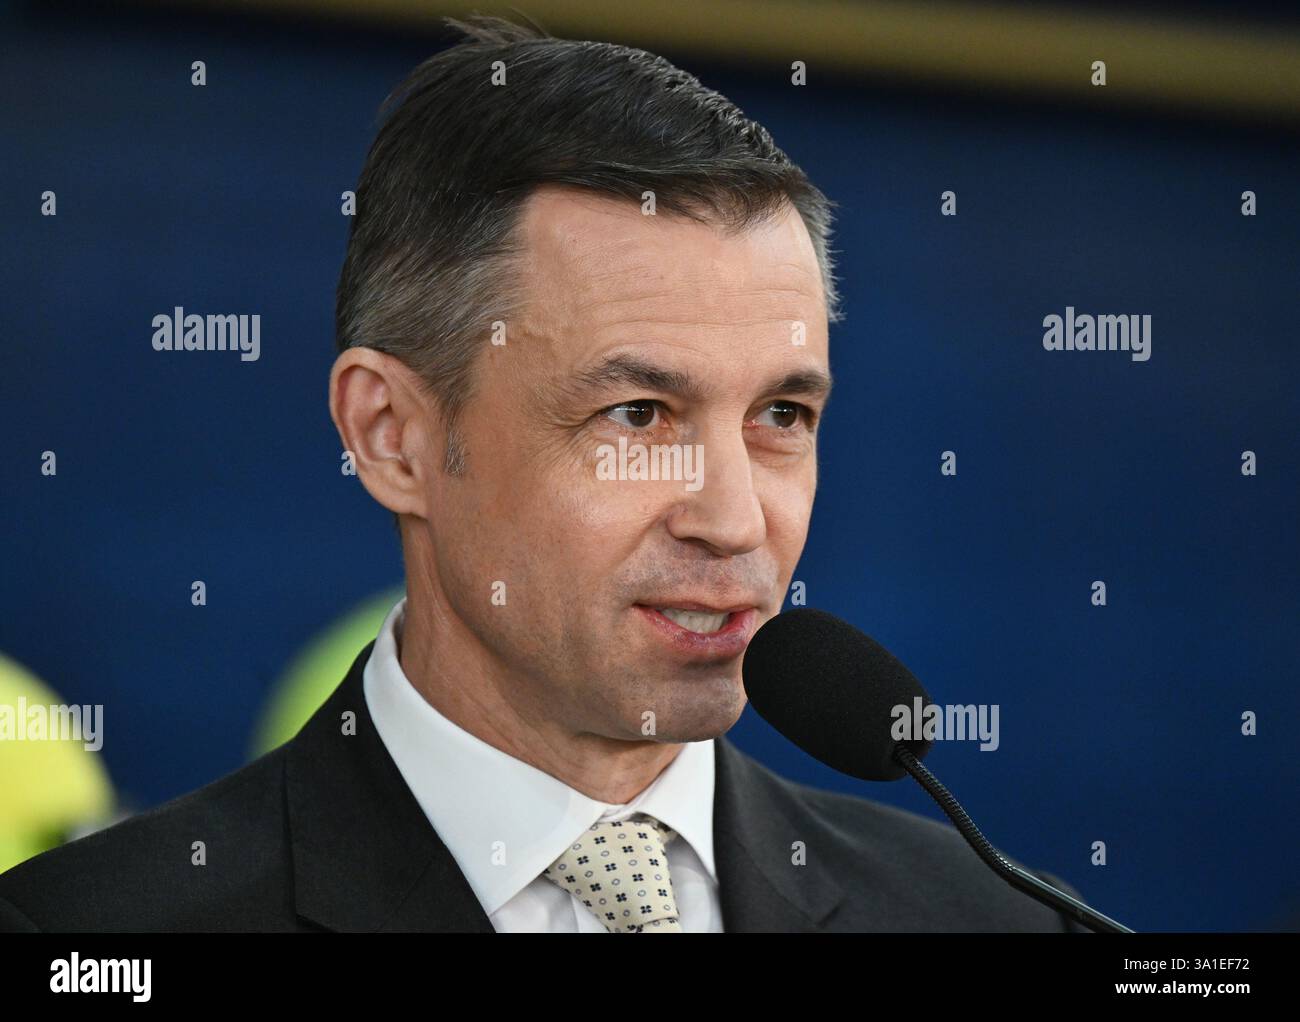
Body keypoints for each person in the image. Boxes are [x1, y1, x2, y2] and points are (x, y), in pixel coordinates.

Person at [0, 14, 1085, 933]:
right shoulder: (89, 931)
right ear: (391, 434)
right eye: (637, 411)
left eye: (780, 414)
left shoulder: (987, 916)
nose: (734, 517)